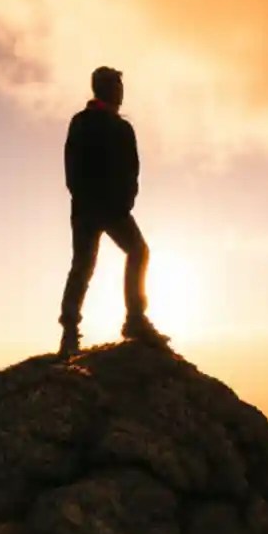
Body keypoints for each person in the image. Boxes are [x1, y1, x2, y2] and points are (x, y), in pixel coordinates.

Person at [58, 66, 169, 356]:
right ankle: (131, 321)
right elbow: (75, 167)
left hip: (95, 208)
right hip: (99, 208)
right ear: (103, 89)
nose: (120, 91)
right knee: (122, 256)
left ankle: (73, 332)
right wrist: (112, 202)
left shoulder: (96, 124)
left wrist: (123, 200)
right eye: (116, 85)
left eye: (120, 86)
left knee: (85, 265)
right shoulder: (101, 125)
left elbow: (132, 171)